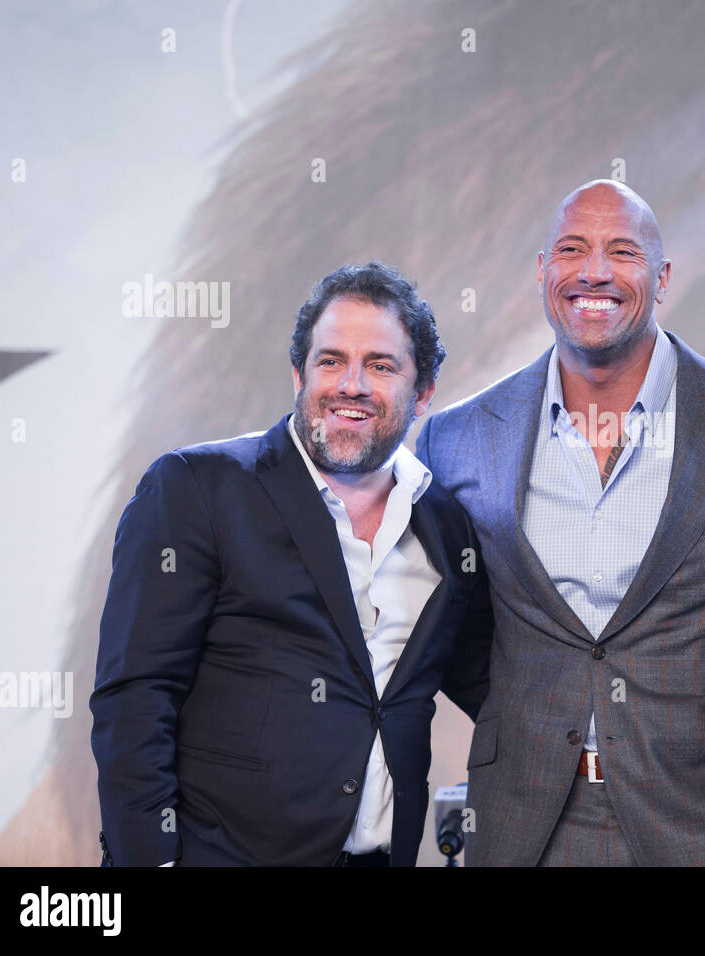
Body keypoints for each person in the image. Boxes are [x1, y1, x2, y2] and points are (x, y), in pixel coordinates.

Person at [416, 180, 705, 866]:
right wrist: (531, 702)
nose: (594, 272)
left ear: (663, 277)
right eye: (572, 250)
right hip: (526, 823)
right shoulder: (458, 441)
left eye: (622, 251)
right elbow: (444, 633)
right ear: (543, 273)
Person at [90, 261, 491, 866]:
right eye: (331, 360)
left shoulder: (444, 524)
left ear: (425, 393)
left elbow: (491, 680)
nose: (351, 384)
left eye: (380, 366)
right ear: (299, 374)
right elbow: (135, 696)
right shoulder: (198, 488)